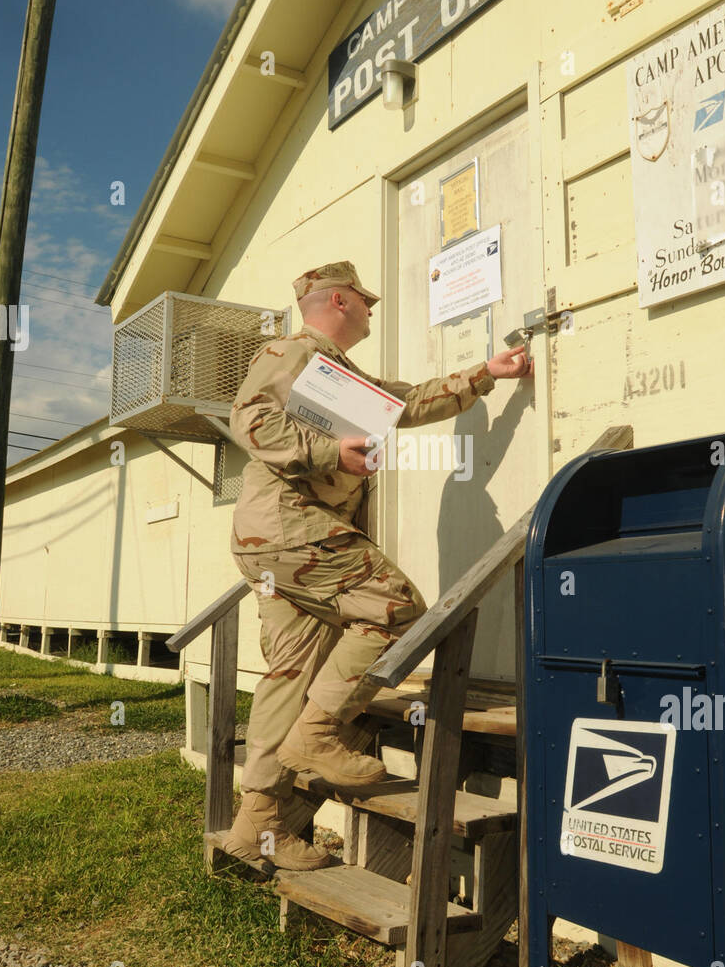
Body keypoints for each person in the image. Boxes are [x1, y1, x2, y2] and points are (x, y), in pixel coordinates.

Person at [222, 260, 533, 872]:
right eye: (365, 301)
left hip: (272, 540)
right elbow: (249, 418)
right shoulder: (294, 352)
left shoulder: (340, 375)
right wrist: (329, 449)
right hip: (294, 527)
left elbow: (407, 402)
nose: (371, 309)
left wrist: (485, 375)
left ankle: (256, 827)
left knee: (291, 672)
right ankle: (318, 736)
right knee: (396, 609)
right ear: (338, 299)